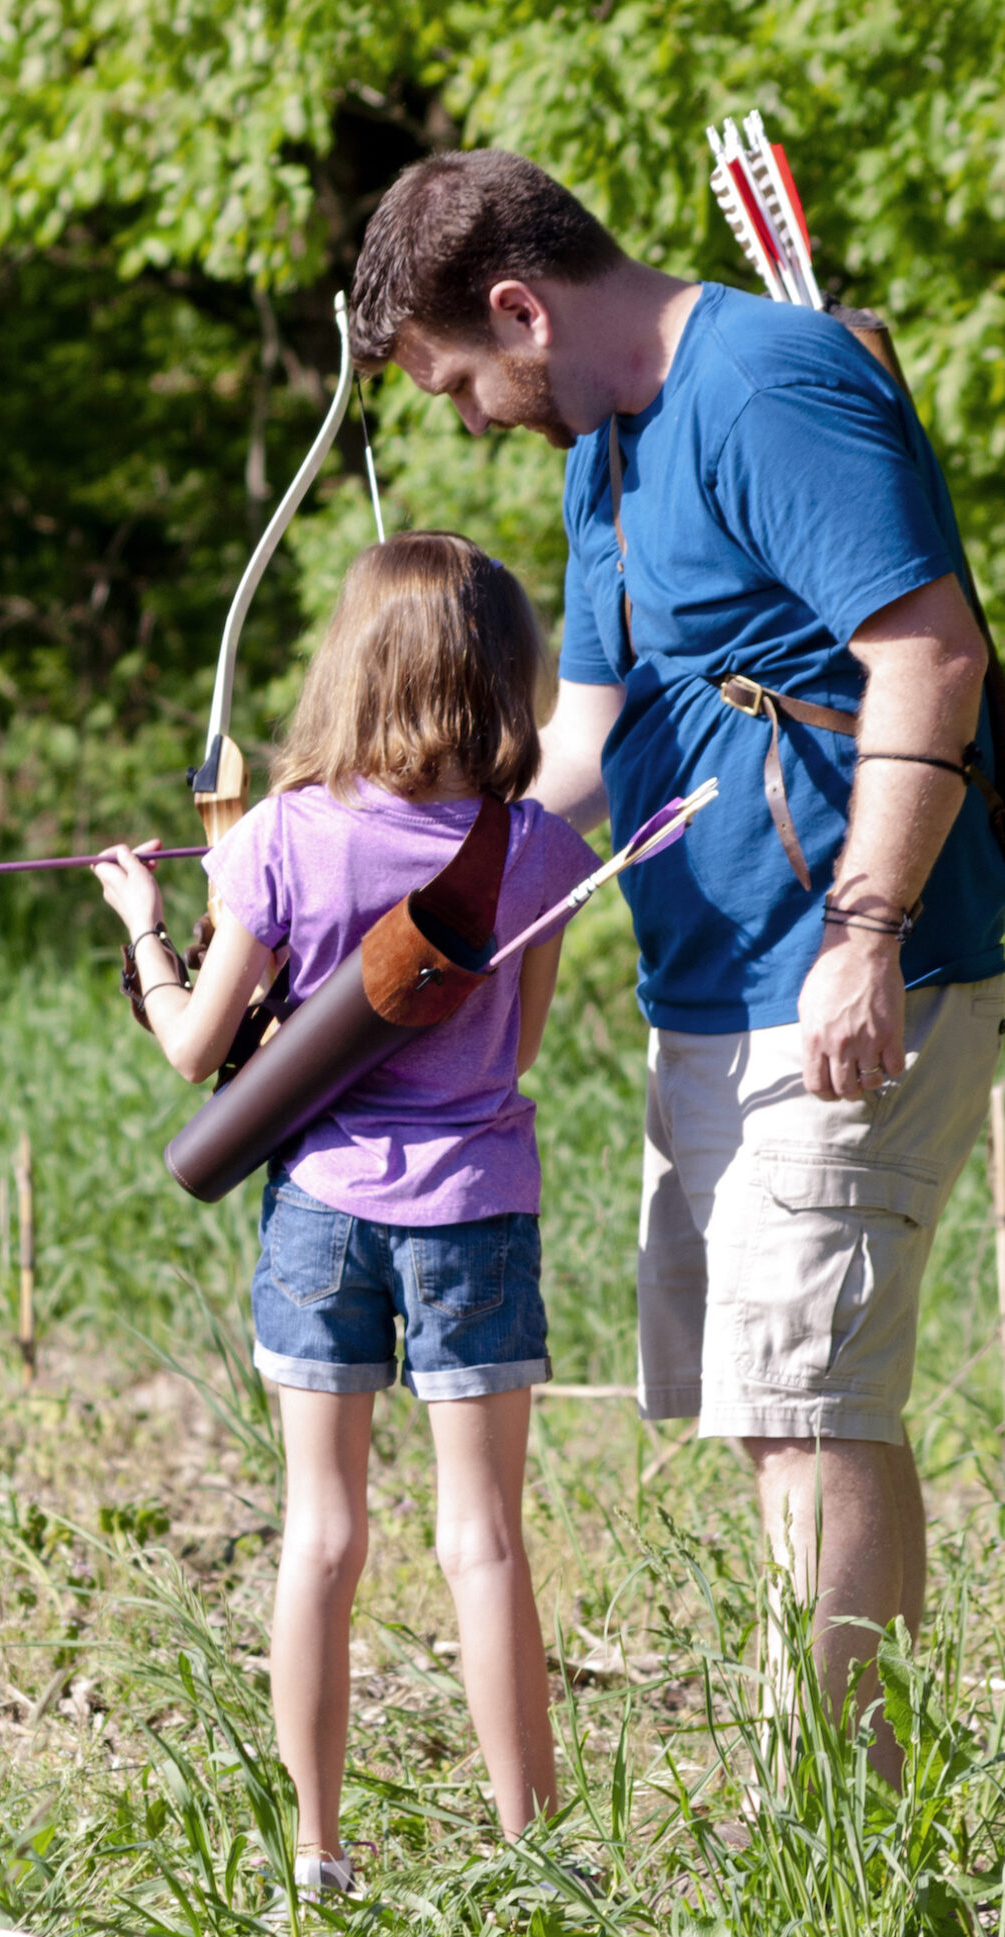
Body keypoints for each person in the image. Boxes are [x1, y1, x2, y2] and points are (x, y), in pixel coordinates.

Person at [347, 150, 1005, 1781]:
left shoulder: (772, 384)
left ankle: (836, 1822)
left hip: (851, 973)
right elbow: (581, 745)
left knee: (812, 1404)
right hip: (702, 992)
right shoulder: (606, 462)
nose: (475, 420)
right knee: (763, 1404)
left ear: (521, 305)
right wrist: (373, 867)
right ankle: (847, 1796)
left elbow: (931, 650)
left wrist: (867, 933)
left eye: (462, 382)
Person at [95, 533, 596, 1889]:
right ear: (505, 677)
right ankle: (536, 1858)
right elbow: (518, 1048)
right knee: (482, 1533)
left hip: (319, 1212)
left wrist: (149, 925)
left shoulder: (274, 836)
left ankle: (316, 1858)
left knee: (321, 1530)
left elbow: (199, 1052)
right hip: (476, 1213)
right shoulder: (539, 849)